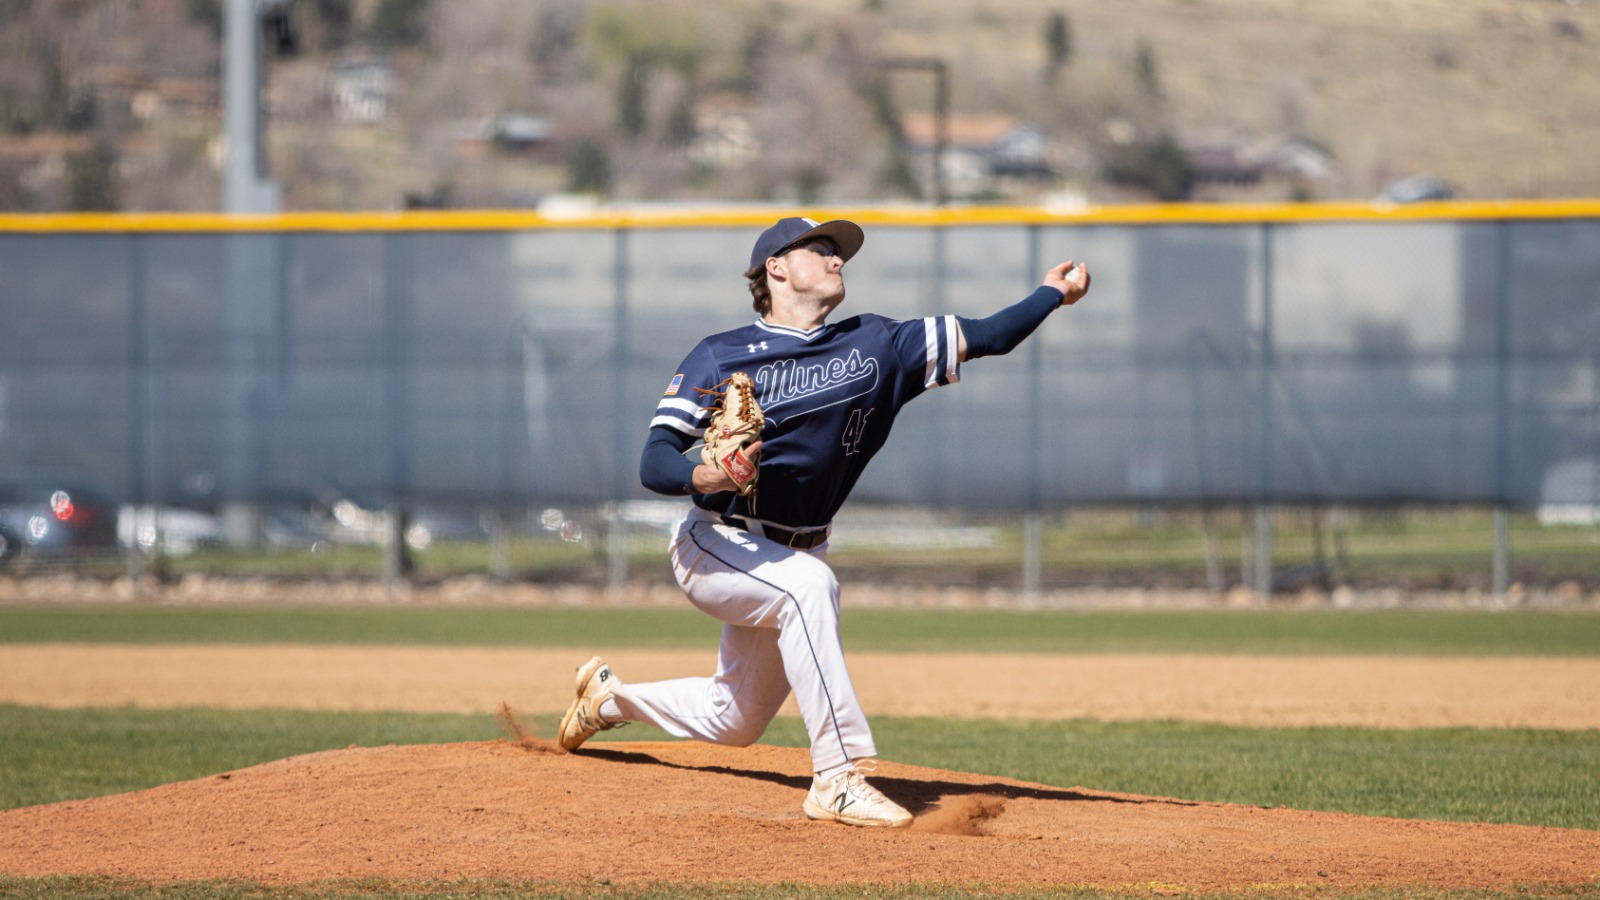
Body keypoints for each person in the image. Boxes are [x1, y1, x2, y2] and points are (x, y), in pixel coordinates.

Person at [557, 216, 1090, 828]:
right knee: (809, 588)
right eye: (821, 248)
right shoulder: (720, 353)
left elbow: (991, 335)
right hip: (717, 541)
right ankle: (836, 779)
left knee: (735, 720)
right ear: (776, 268)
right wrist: (700, 476)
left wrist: (1053, 293)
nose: (837, 259)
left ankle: (607, 698)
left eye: (839, 252)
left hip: (799, 551)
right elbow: (654, 459)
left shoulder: (878, 343)